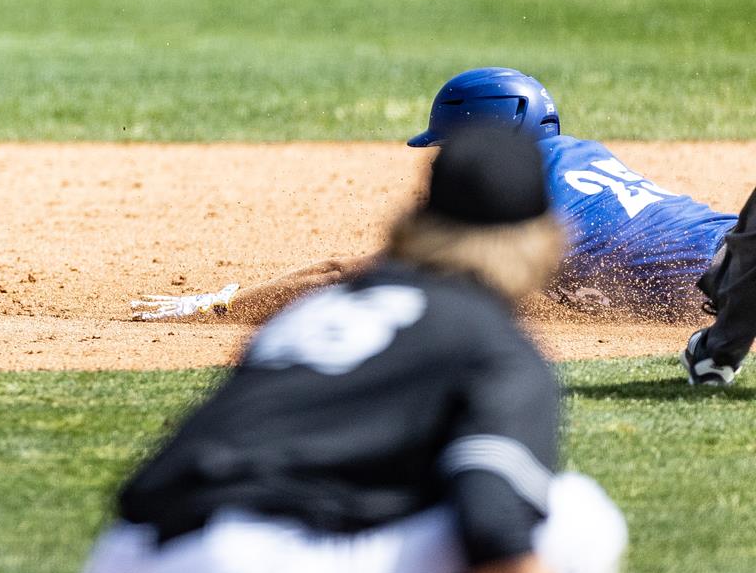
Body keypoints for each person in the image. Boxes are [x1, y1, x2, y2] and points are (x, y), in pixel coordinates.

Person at [79, 128, 627, 573]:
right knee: (577, 525)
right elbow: (493, 526)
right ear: (544, 238)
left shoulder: (319, 310)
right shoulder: (489, 340)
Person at [132, 67, 756, 388]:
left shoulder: (517, 194)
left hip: (736, 277)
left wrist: (218, 303)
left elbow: (358, 275)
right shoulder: (577, 155)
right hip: (731, 247)